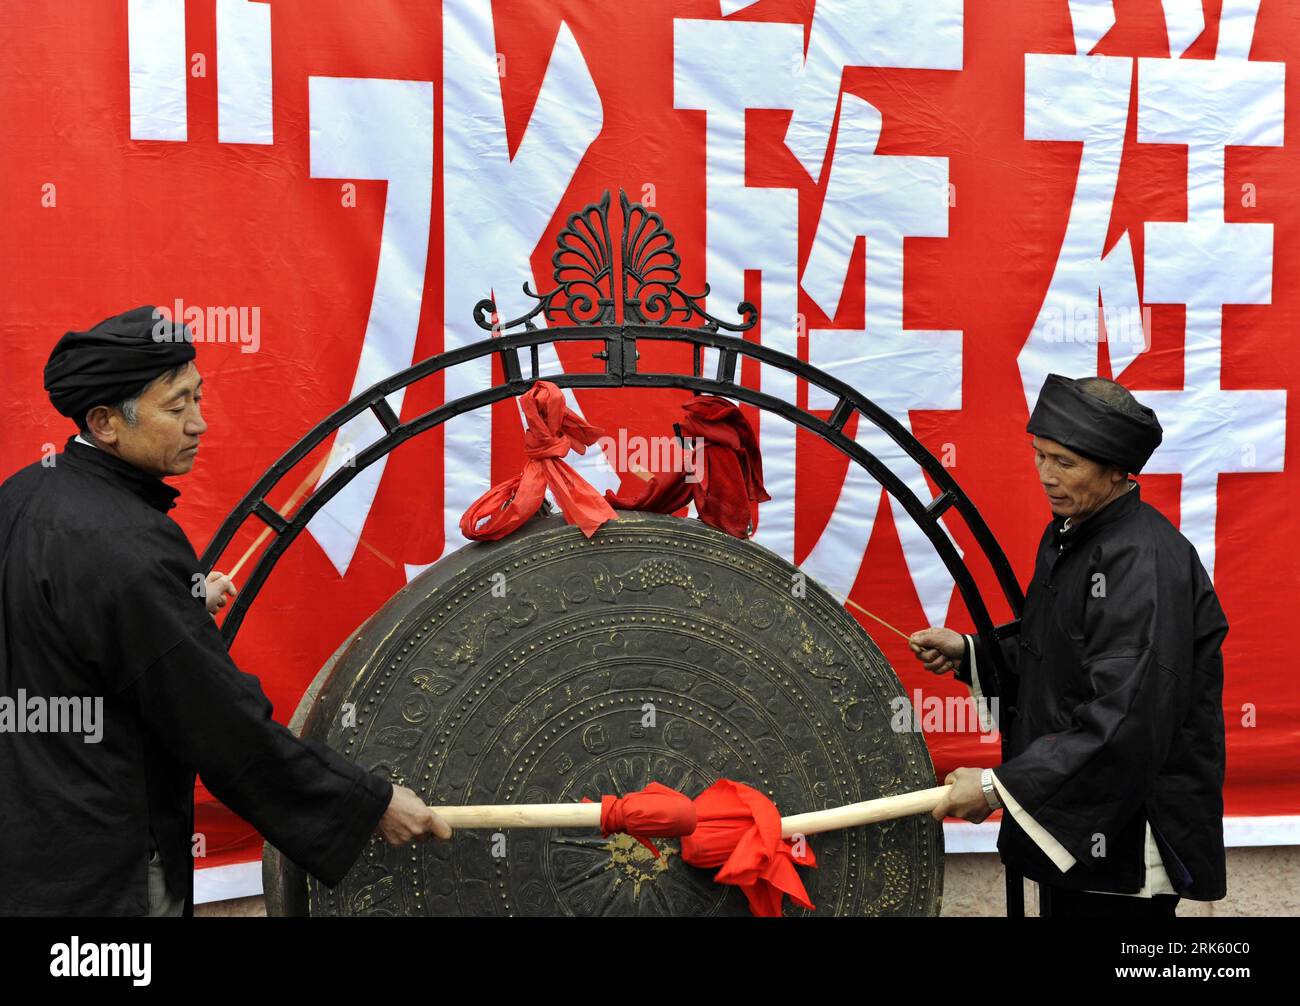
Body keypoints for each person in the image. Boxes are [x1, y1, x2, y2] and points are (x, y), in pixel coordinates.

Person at [0, 306, 451, 916]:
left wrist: (179, 602)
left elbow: (71, 633)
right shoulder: (128, 545)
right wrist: (366, 804)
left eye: (198, 398)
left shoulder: (24, 496)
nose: (199, 424)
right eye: (176, 406)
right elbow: (221, 727)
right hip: (109, 872)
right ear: (105, 422)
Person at [909, 374, 1228, 918]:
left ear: (1115, 469)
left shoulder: (1142, 560)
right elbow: (1061, 652)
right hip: (1074, 830)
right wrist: (974, 652)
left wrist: (994, 788)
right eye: (1040, 456)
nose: (1046, 477)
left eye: (1065, 463)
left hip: (1121, 833)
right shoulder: (1072, 531)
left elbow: (1126, 715)